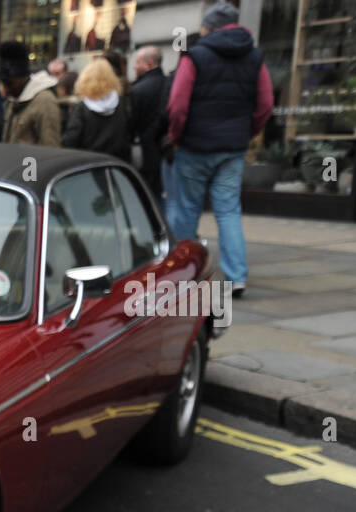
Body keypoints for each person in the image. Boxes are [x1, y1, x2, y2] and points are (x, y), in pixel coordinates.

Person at [168, 2, 272, 297]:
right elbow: (265, 105)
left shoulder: (195, 56)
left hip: (194, 145)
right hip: (232, 148)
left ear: (209, 27)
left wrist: (176, 136)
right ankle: (237, 276)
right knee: (228, 211)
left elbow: (177, 104)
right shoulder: (255, 57)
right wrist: (247, 132)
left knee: (187, 210)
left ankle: (184, 275)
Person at [61, 57, 131, 160]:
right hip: (116, 163)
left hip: (88, 163)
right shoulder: (121, 103)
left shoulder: (82, 107)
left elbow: (70, 140)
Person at [0, 41, 61, 147]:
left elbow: (51, 148)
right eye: (3, 84)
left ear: (23, 78)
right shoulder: (13, 99)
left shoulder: (44, 101)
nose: (6, 90)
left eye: (9, 84)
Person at [130, 46, 169, 202]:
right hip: (166, 152)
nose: (134, 66)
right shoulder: (169, 84)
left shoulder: (138, 90)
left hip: (146, 153)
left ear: (149, 64)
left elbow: (131, 124)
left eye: (138, 62)